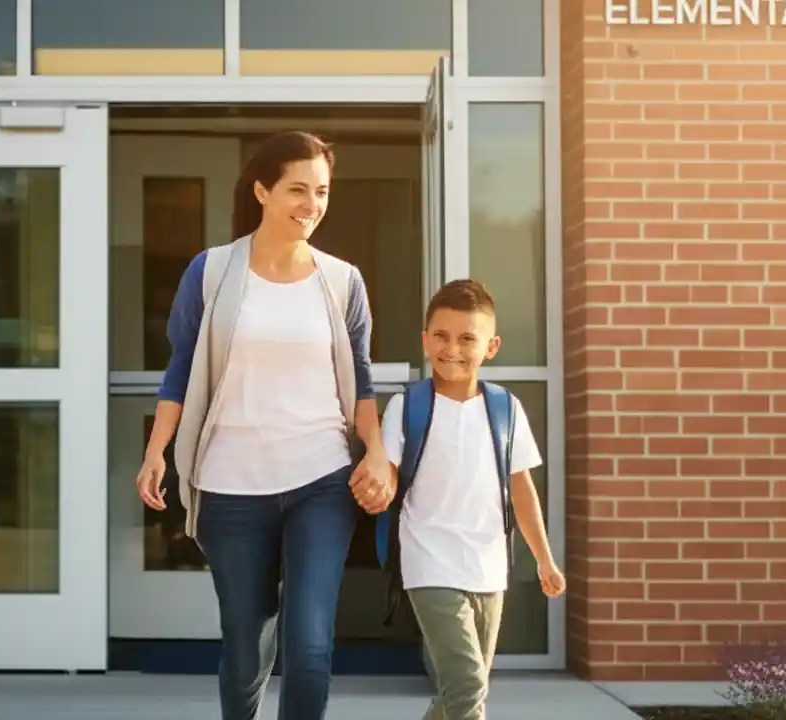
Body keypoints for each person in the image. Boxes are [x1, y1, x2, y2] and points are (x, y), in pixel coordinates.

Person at [134, 130, 395, 720]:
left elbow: (360, 379)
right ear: (261, 191)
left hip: (320, 482)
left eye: (322, 191)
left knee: (308, 650)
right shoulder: (212, 271)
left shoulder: (342, 280)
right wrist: (157, 450)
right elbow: (181, 367)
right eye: (297, 189)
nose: (312, 204)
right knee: (247, 654)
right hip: (231, 485)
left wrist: (375, 450)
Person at [380, 279, 565, 720]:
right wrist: (374, 484)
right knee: (466, 688)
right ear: (425, 341)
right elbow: (384, 478)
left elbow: (520, 488)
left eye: (467, 339)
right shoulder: (406, 409)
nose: (452, 349)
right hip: (429, 560)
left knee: (460, 695)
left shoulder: (505, 409)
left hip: (488, 566)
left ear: (491, 346)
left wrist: (543, 558)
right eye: (441, 337)